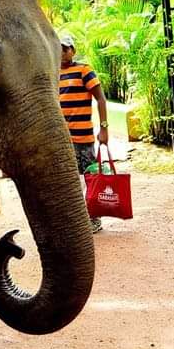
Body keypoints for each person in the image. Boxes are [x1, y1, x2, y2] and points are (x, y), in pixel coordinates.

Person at [59, 34, 109, 234]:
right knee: (68, 181)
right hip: (62, 139)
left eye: (65, 48)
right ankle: (75, 222)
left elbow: (101, 99)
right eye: (58, 48)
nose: (62, 52)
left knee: (90, 179)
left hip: (83, 138)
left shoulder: (84, 70)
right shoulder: (52, 73)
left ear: (73, 50)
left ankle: (94, 219)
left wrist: (104, 128)